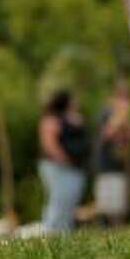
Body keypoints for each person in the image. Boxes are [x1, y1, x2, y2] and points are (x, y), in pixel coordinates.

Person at [38, 89, 88, 232]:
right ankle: (50, 231)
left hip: (75, 168)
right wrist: (64, 158)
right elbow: (49, 143)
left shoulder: (75, 118)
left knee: (69, 203)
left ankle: (65, 231)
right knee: (58, 200)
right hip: (58, 167)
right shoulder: (51, 119)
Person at [93, 81, 130, 226]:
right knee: (106, 208)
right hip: (106, 167)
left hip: (121, 167)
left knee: (120, 208)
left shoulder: (127, 116)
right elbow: (106, 134)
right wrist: (120, 119)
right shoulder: (106, 113)